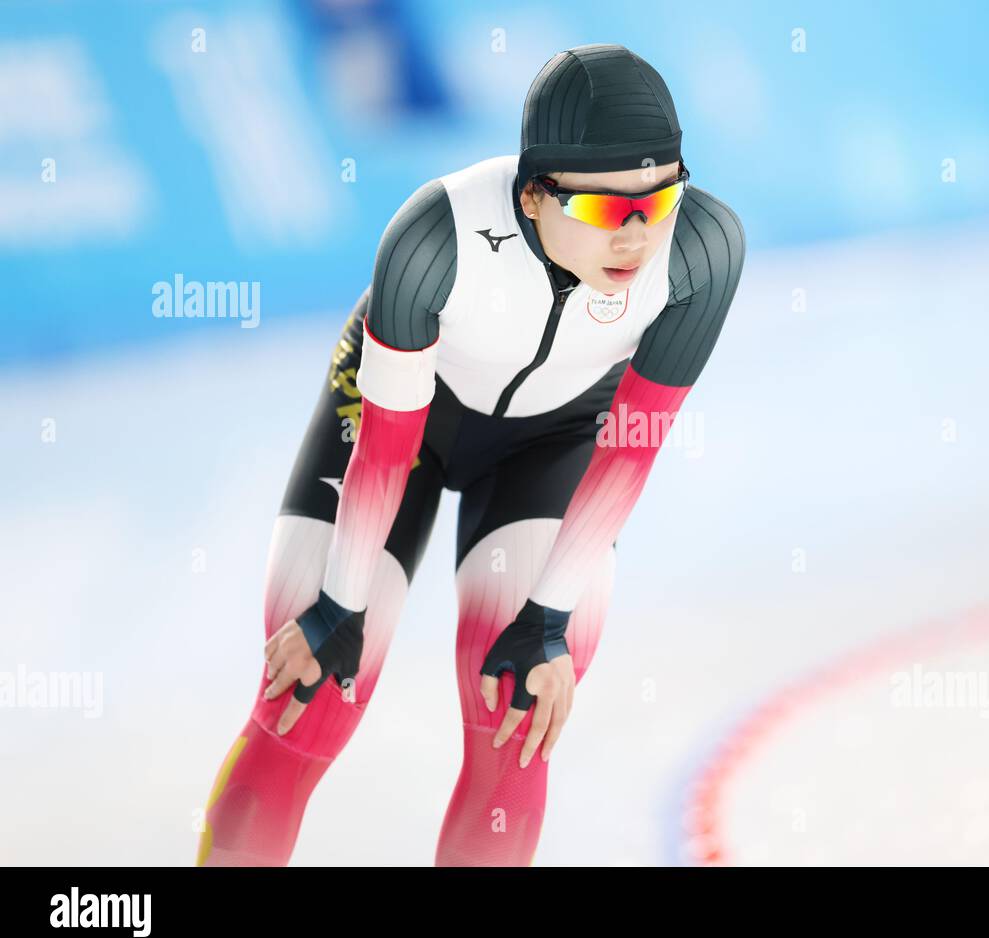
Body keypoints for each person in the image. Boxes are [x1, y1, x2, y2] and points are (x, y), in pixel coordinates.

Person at [196, 42, 745, 867]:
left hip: (556, 435)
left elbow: (634, 446)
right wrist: (340, 605)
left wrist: (549, 619)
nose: (636, 236)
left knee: (522, 707)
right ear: (533, 195)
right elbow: (385, 446)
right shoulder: (435, 237)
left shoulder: (702, 248)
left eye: (658, 199)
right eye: (604, 211)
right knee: (307, 692)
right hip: (405, 420)